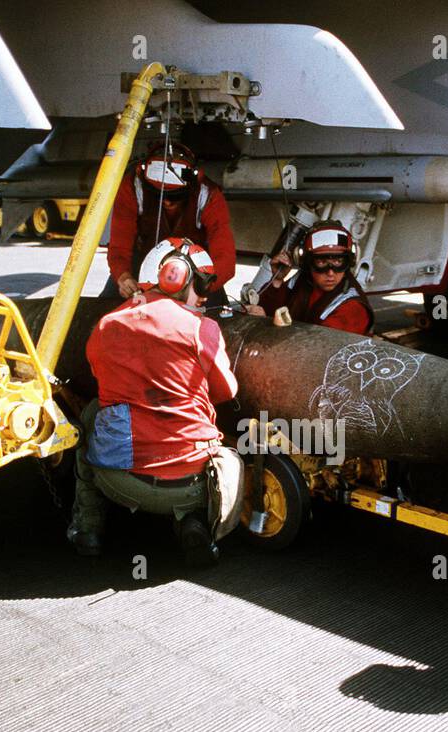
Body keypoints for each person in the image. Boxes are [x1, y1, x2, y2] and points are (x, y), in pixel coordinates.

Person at [70, 238, 244, 566]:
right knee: (229, 458)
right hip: (193, 488)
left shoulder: (106, 325)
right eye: (201, 285)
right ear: (175, 278)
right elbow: (226, 392)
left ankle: (87, 528)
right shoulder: (202, 328)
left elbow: (99, 375)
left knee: (91, 415)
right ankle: (194, 521)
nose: (204, 296)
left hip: (119, 483)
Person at [103, 140, 236, 307]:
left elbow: (226, 259)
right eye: (158, 196)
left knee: (217, 316)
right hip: (143, 261)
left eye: (175, 196)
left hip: (196, 270)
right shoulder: (131, 188)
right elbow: (119, 246)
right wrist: (122, 276)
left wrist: (200, 288)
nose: (166, 202)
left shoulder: (208, 195)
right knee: (106, 309)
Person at [245, 220, 374, 334]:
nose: (330, 273)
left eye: (338, 262)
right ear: (307, 263)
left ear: (349, 262)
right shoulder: (304, 280)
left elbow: (316, 350)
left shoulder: (352, 309)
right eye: (321, 262)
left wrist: (268, 326)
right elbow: (266, 310)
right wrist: (277, 280)